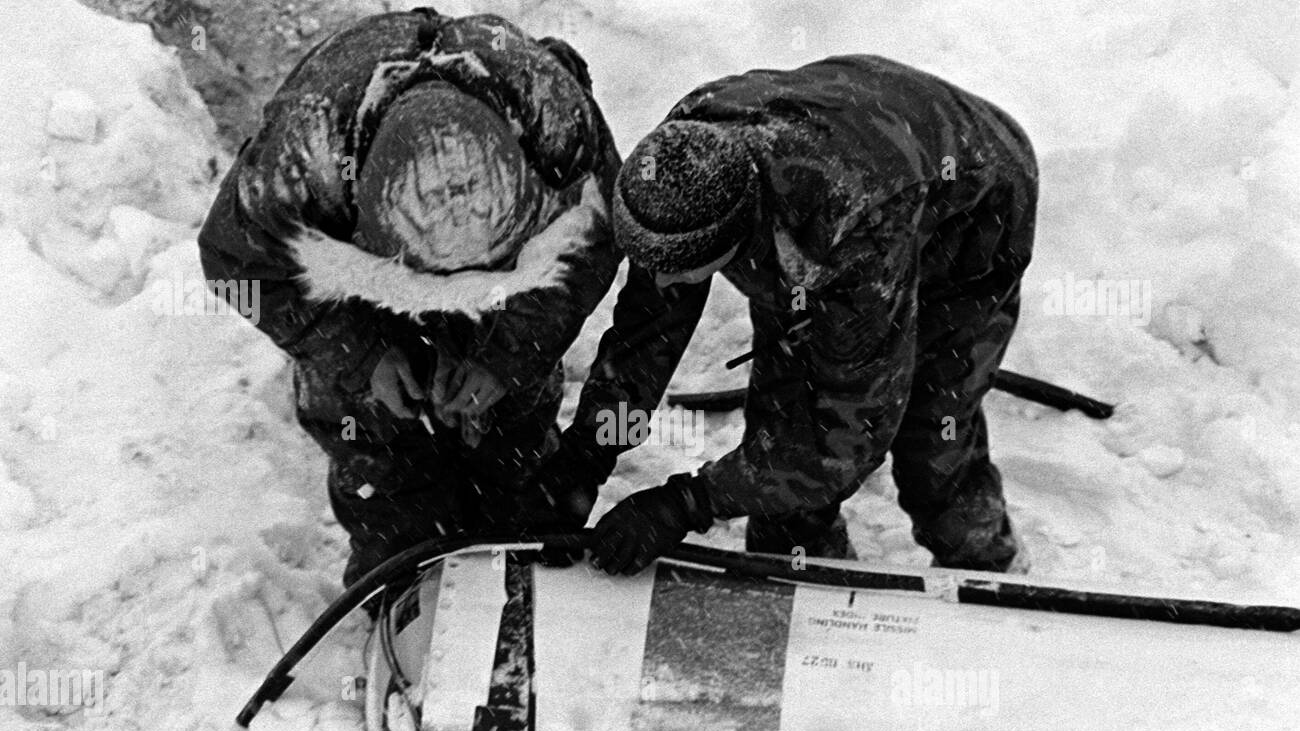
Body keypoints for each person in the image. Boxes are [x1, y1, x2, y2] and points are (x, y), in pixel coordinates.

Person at [532, 55, 1037, 575]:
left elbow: (847, 437)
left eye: (677, 272)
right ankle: (814, 578)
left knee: (931, 440)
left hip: (971, 212)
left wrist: (687, 503)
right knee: (780, 462)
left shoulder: (848, 236)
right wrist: (586, 456)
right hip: (844, 164)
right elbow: (645, 344)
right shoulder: (674, 174)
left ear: (732, 245)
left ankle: (991, 572)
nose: (658, 282)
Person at [199, 9, 620, 585]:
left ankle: (517, 506)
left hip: (504, 272)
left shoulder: (559, 130)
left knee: (512, 425)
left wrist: (507, 354)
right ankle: (398, 555)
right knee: (376, 435)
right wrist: (363, 356)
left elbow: (590, 250)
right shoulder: (300, 169)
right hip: (359, 283)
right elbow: (237, 263)